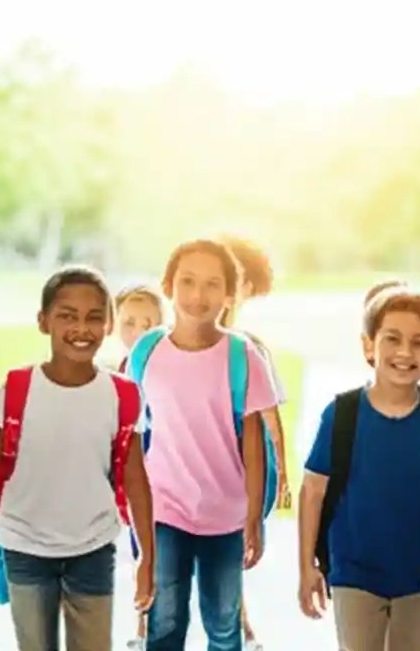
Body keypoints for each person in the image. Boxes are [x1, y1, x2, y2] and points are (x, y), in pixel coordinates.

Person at [0, 266, 155, 651]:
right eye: (67, 316)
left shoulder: (123, 395)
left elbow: (136, 479)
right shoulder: (17, 387)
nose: (81, 329)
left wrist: (148, 556)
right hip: (25, 545)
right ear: (43, 321)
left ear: (108, 325)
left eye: (93, 318)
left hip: (94, 546)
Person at [297, 285, 420, 651]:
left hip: (418, 571)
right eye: (392, 339)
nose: (405, 353)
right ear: (368, 346)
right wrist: (306, 567)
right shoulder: (341, 415)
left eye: (419, 343)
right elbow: (312, 492)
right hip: (353, 568)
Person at [136, 239, 279, 651]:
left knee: (223, 623)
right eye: (188, 282)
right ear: (168, 285)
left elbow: (254, 443)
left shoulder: (242, 354)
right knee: (164, 621)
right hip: (164, 507)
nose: (199, 296)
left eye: (212, 284)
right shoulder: (147, 352)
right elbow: (128, 433)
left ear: (230, 295)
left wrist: (254, 516)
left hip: (225, 513)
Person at [214, 234, 292, 651]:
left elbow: (269, 418)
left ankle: (237, 623)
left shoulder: (249, 349)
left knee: (229, 550)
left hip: (244, 464)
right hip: (199, 464)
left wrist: (280, 471)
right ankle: (237, 623)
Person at [113, 284, 166, 373]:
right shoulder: (124, 365)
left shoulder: (162, 366)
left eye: (146, 326)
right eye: (129, 323)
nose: (138, 332)